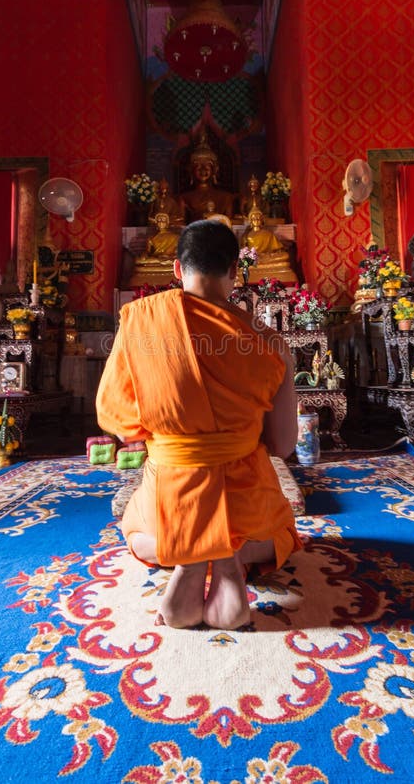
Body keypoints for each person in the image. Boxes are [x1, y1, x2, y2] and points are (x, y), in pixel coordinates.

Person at [96, 220, 301, 630]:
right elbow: (282, 443)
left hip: (170, 501)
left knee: (137, 535)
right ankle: (225, 556)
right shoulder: (269, 342)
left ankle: (189, 555)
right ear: (235, 271)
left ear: (176, 269)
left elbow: (122, 426)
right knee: (281, 538)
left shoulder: (140, 323)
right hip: (243, 498)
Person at [180, 131, 235, 222]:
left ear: (215, 170)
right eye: (198, 165)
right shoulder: (185, 198)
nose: (203, 169)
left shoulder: (226, 197)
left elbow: (230, 224)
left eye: (207, 165)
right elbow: (180, 224)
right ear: (191, 170)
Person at [240, 209, 294, 283]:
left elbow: (278, 250)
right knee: (241, 262)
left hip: (266, 257)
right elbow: (243, 251)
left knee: (285, 256)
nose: (256, 220)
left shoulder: (268, 234)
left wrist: (269, 255)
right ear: (250, 221)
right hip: (253, 259)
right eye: (254, 219)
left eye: (258, 219)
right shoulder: (246, 235)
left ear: (262, 220)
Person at [129, 212, 180, 285]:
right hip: (156, 260)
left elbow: (178, 252)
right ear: (156, 223)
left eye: (163, 220)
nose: (161, 222)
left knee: (177, 262)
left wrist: (170, 256)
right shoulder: (152, 238)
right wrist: (144, 255)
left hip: (170, 260)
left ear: (167, 222)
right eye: (159, 220)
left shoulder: (175, 237)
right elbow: (148, 252)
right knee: (138, 261)